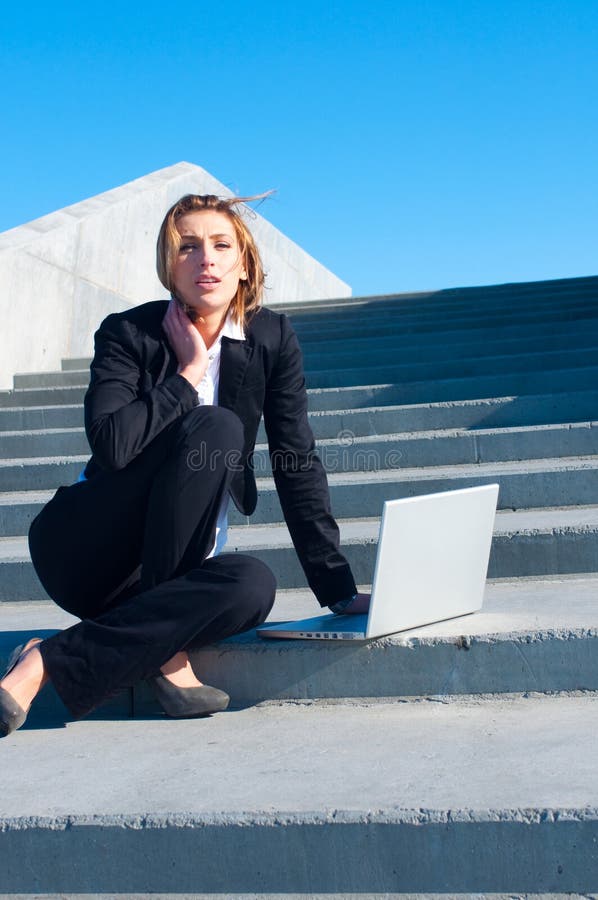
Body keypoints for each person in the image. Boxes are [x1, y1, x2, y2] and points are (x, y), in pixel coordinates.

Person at [0, 193, 368, 738]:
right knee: (218, 426)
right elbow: (112, 447)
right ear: (168, 265)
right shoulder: (129, 333)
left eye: (222, 245)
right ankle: (165, 652)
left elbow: (295, 460)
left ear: (244, 264)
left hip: (169, 566)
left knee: (254, 585)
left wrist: (335, 586)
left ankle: (50, 658)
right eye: (188, 247)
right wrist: (187, 375)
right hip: (85, 548)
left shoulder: (272, 339)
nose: (206, 259)